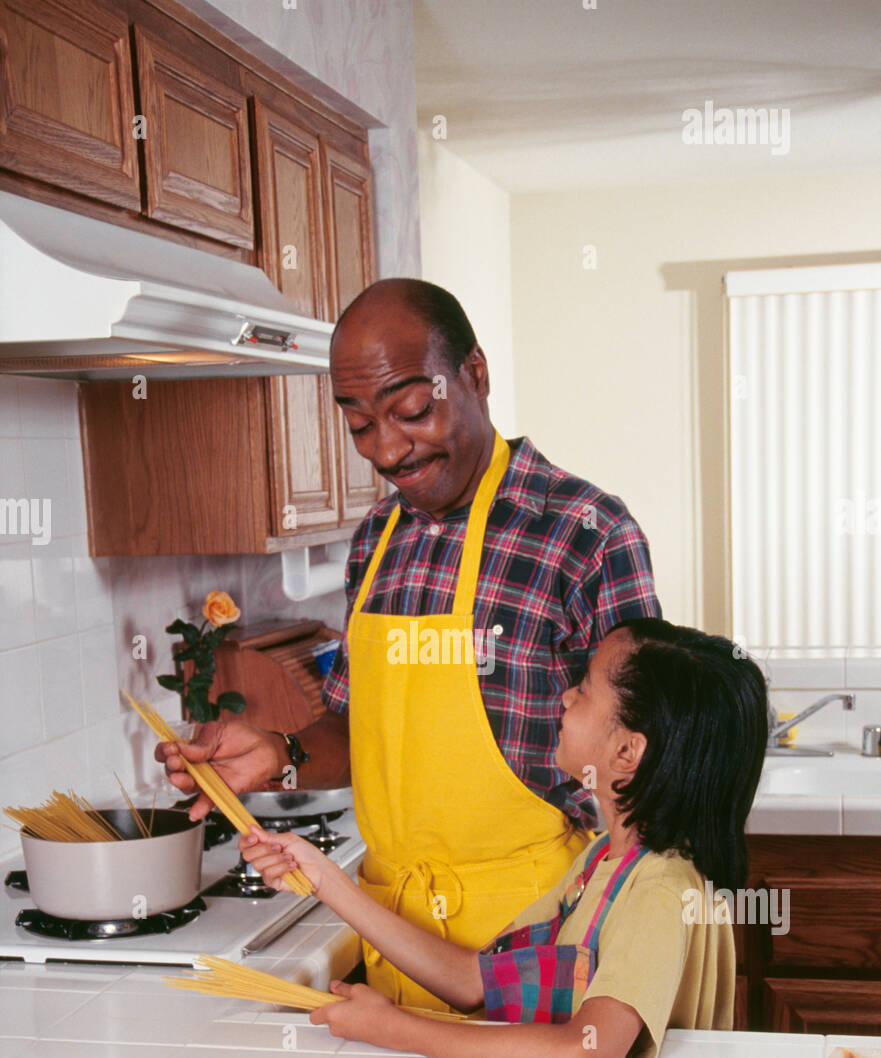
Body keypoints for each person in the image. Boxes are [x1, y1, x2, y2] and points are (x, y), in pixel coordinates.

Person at [157, 278, 661, 1010]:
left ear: (475, 376)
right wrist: (280, 753)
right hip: (393, 942)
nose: (387, 450)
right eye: (359, 425)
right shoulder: (376, 542)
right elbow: (360, 732)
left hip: (539, 947)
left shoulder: (583, 533)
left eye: (412, 412)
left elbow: (645, 769)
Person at [237, 620, 769, 1058]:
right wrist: (325, 878)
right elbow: (473, 979)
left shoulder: (659, 891)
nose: (564, 698)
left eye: (583, 691)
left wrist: (396, 1029)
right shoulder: (605, 861)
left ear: (626, 753)